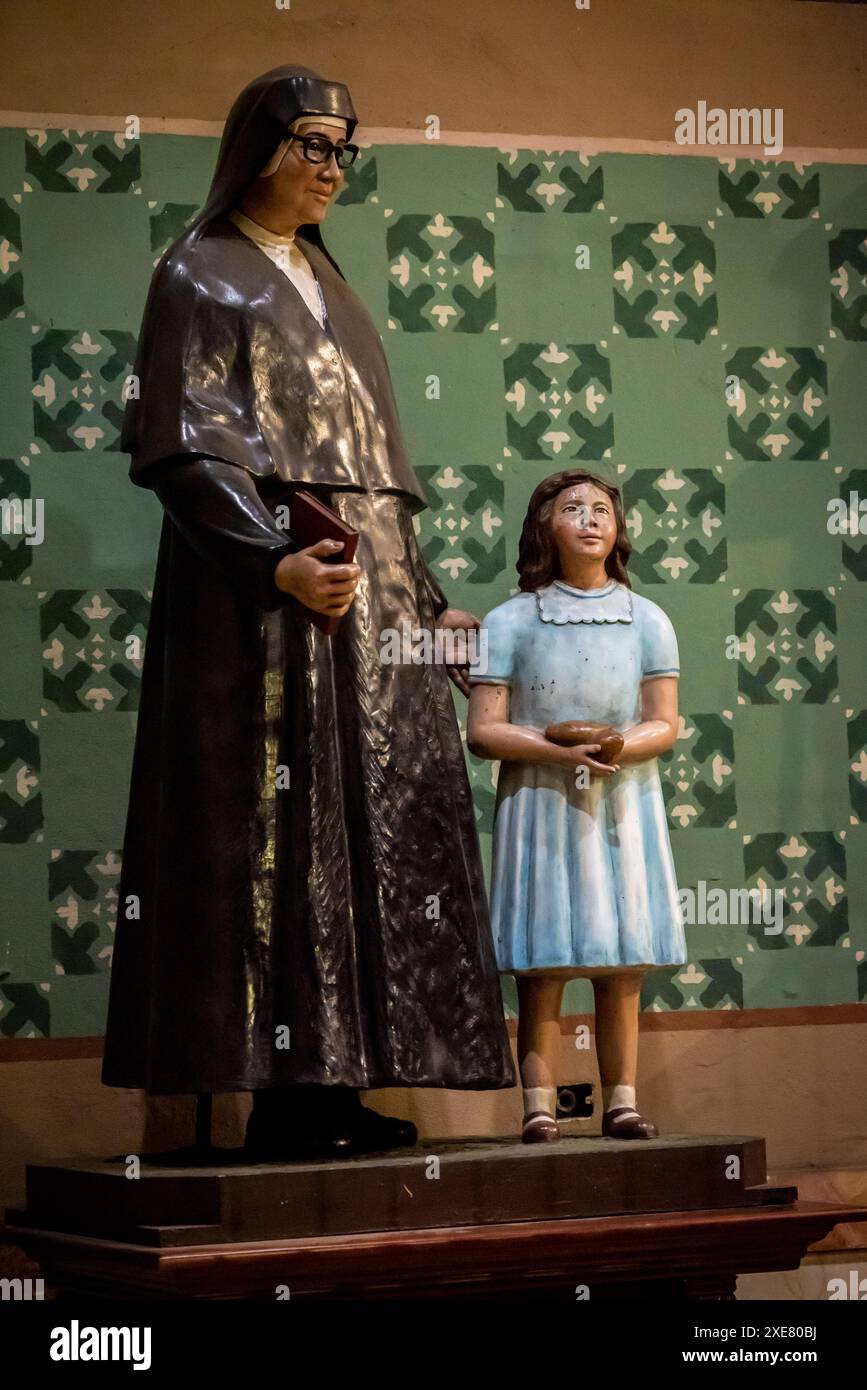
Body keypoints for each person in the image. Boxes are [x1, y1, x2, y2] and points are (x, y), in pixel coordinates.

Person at [101, 65, 515, 1160]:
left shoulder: (332, 284)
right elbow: (184, 446)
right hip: (268, 601)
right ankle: (281, 1091)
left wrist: (426, 609)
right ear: (259, 147)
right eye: (312, 144)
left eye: (344, 148)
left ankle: (337, 1083)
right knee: (278, 829)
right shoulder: (199, 271)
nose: (331, 167)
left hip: (368, 597)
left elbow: (377, 481)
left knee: (373, 832)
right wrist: (271, 559)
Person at [466, 470, 685, 1143]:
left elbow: (665, 721)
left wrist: (620, 746)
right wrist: (554, 749)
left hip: (623, 801)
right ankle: (538, 1104)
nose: (589, 521)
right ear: (543, 527)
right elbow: (483, 730)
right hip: (541, 800)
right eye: (571, 510)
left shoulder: (646, 619)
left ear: (617, 528)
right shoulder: (510, 620)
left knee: (623, 961)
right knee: (543, 961)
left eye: (600, 510)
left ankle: (620, 1100)